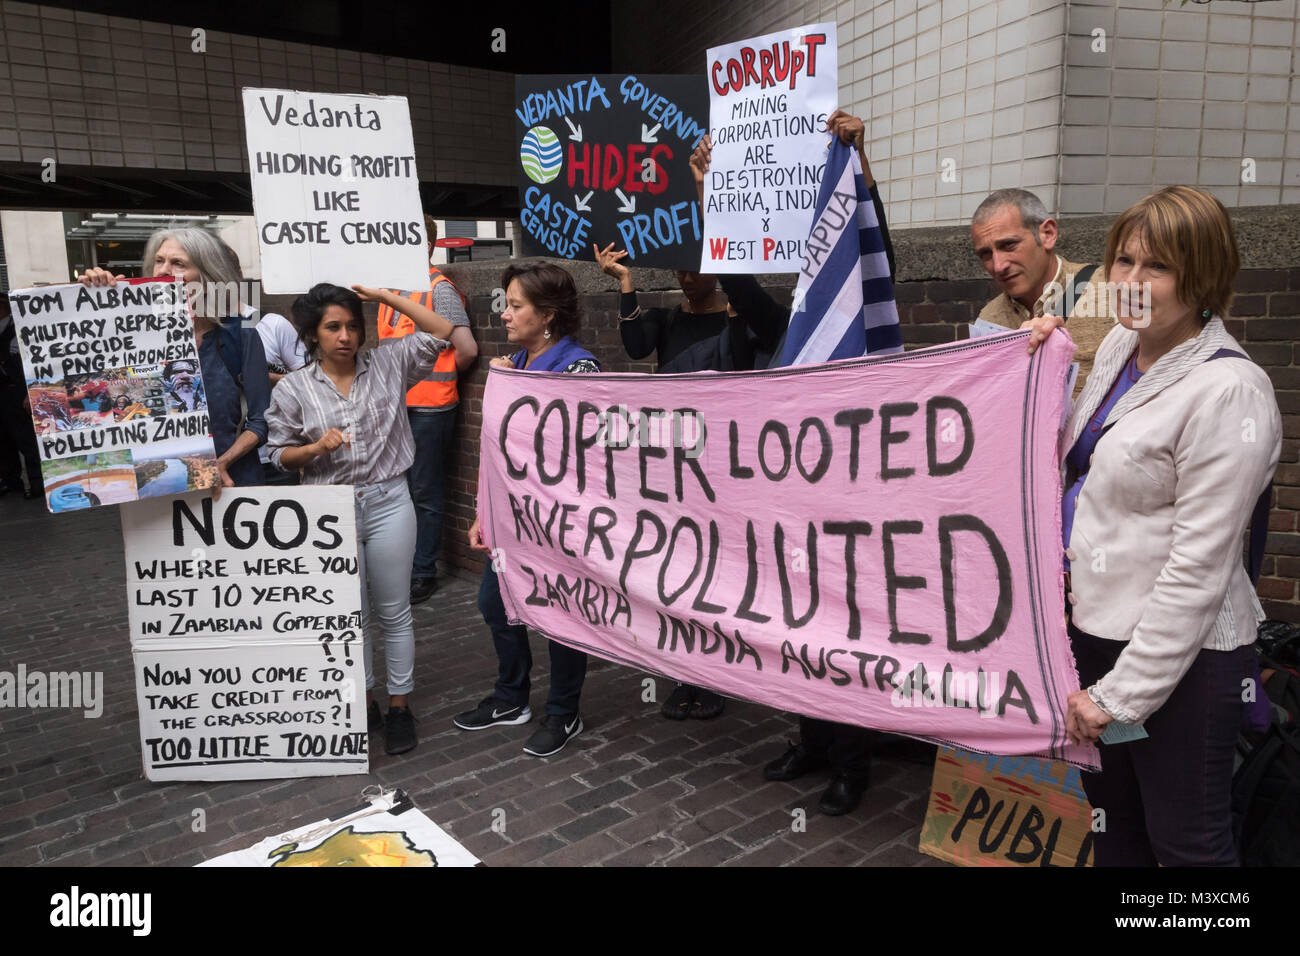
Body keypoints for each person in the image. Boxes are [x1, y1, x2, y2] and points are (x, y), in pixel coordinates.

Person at [1025, 186, 1281, 865]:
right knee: (1117, 828)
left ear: (1202, 278)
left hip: (1180, 667)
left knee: (1188, 845)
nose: (1131, 283)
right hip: (1099, 638)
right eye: (1123, 260)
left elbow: (1198, 571)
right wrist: (1033, 367)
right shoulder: (1118, 347)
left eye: (1157, 267)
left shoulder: (1229, 391)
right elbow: (1077, 461)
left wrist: (1121, 696)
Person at [264, 282, 459, 757]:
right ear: (312, 334)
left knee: (394, 612)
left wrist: (383, 297)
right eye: (333, 327)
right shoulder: (293, 387)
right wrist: (312, 448)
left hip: (390, 500)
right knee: (350, 617)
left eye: (353, 325)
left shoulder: (390, 362)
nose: (345, 336)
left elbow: (444, 331)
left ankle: (398, 707)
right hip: (328, 510)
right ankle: (363, 700)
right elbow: (276, 454)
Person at [455, 261, 599, 758]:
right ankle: (511, 698)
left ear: (549, 315)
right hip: (514, 521)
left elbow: (578, 448)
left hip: (560, 522)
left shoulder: (579, 367)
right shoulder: (514, 364)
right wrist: (483, 511)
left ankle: (564, 711)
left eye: (516, 306)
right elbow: (495, 450)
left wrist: (514, 389)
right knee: (495, 604)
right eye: (506, 304)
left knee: (562, 615)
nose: (505, 315)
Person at [593, 246, 729, 721]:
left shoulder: (736, 321)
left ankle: (714, 676)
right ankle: (683, 675)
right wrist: (625, 282)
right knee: (680, 568)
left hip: (723, 464)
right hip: (676, 463)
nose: (688, 277)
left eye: (697, 269)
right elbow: (634, 345)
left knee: (717, 573)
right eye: (682, 270)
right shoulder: (669, 321)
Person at [78, 229, 271, 487]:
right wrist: (101, 300)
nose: (163, 270)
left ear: (207, 276)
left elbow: (262, 420)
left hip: (232, 484)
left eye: (178, 263)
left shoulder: (240, 331)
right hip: (158, 489)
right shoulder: (134, 333)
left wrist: (220, 464)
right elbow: (100, 397)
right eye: (159, 261)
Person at [377, 215, 478, 604]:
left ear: (428, 244)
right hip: (398, 407)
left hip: (431, 410)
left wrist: (443, 375)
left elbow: (466, 349)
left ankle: (423, 573)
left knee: (425, 492)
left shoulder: (439, 290)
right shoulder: (389, 292)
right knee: (402, 491)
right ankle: (408, 568)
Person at [971, 188, 1111, 393]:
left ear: (1048, 234)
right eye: (985, 254)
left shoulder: (1111, 290)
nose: (998, 265)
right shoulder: (988, 320)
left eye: (1009, 245)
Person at [0, 297, 42, 498]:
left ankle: (37, 483)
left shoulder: (19, 327)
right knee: (4, 440)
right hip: (3, 390)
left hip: (16, 389)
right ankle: (11, 480)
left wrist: (29, 391)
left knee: (26, 439)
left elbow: (29, 362)